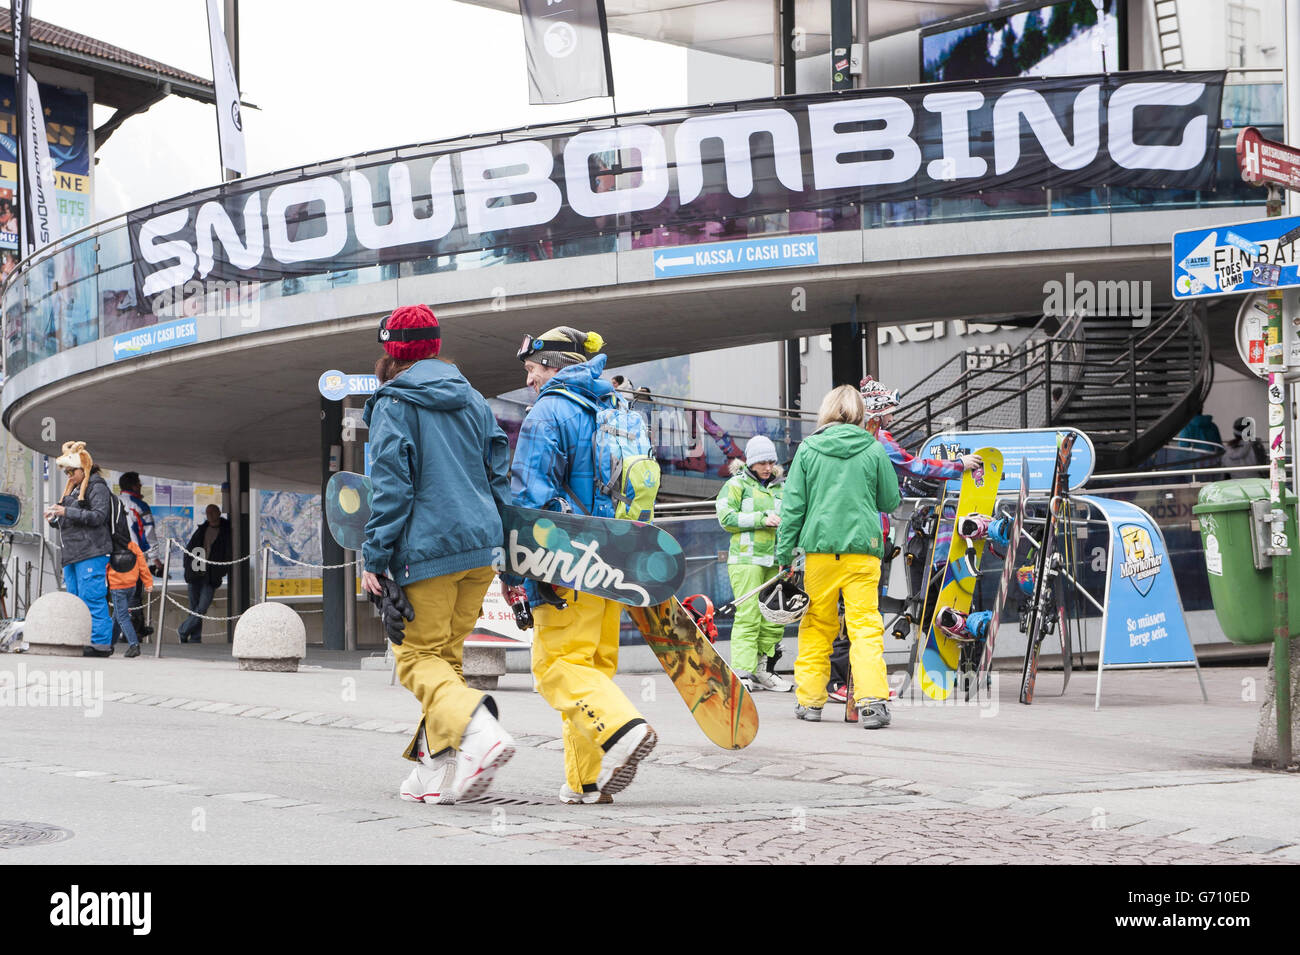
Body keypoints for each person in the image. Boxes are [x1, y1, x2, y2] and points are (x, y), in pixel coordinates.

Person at [361, 304, 516, 806]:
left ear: (391, 350)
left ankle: (479, 729)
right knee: (445, 659)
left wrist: (374, 556)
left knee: (415, 659)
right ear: (435, 345)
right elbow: (497, 474)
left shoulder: (394, 401)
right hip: (479, 548)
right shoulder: (471, 399)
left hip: (426, 550)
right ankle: (433, 774)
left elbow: (391, 486)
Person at [510, 326, 658, 805]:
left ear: (553, 365)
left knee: (556, 668)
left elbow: (530, 498)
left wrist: (522, 570)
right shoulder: (613, 405)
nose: (530, 379)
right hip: (614, 557)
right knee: (591, 668)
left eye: (532, 368)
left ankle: (624, 730)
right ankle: (584, 782)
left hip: (567, 559)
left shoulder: (549, 412)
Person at [776, 386, 902, 728]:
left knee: (817, 625)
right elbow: (890, 501)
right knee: (864, 627)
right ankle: (873, 702)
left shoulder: (808, 449)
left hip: (819, 554)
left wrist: (785, 554)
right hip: (863, 553)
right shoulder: (873, 448)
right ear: (861, 412)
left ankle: (810, 702)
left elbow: (792, 509)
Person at [715, 434, 791, 692]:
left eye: (771, 462)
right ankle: (743, 672)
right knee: (749, 615)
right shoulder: (736, 484)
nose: (767, 468)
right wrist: (761, 518)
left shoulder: (783, 487)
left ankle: (763, 670)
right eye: (762, 463)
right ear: (750, 462)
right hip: (746, 559)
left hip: (776, 559)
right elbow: (725, 518)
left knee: (774, 617)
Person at [44, 442, 115, 657]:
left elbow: (98, 516)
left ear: (83, 467)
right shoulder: (74, 490)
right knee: (75, 600)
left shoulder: (97, 486)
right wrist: (54, 519)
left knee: (92, 598)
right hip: (73, 554)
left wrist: (67, 512)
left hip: (91, 552)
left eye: (71, 471)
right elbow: (70, 522)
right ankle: (82, 639)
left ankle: (100, 644)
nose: (68, 476)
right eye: (65, 472)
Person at [178, 505, 231, 643]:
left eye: (213, 512)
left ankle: (183, 630)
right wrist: (187, 567)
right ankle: (195, 638)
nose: (210, 515)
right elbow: (189, 550)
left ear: (219, 513)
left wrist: (221, 571)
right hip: (195, 573)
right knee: (193, 607)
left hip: (211, 575)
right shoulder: (201, 530)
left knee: (201, 607)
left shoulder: (226, 531)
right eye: (208, 512)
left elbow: (228, 554)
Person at [118, 471, 162, 642]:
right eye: (139, 483)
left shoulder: (112, 502)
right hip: (134, 555)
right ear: (134, 486)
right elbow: (147, 533)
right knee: (134, 593)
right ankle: (134, 630)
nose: (141, 486)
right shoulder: (140, 505)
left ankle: (122, 630)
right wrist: (155, 558)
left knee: (118, 594)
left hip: (113, 555)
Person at [108, 538, 154, 659]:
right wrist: (148, 582)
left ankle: (134, 645)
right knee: (117, 617)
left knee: (122, 617)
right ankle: (109, 645)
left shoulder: (110, 545)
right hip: (131, 586)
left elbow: (104, 565)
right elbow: (142, 565)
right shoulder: (133, 545)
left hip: (117, 587)